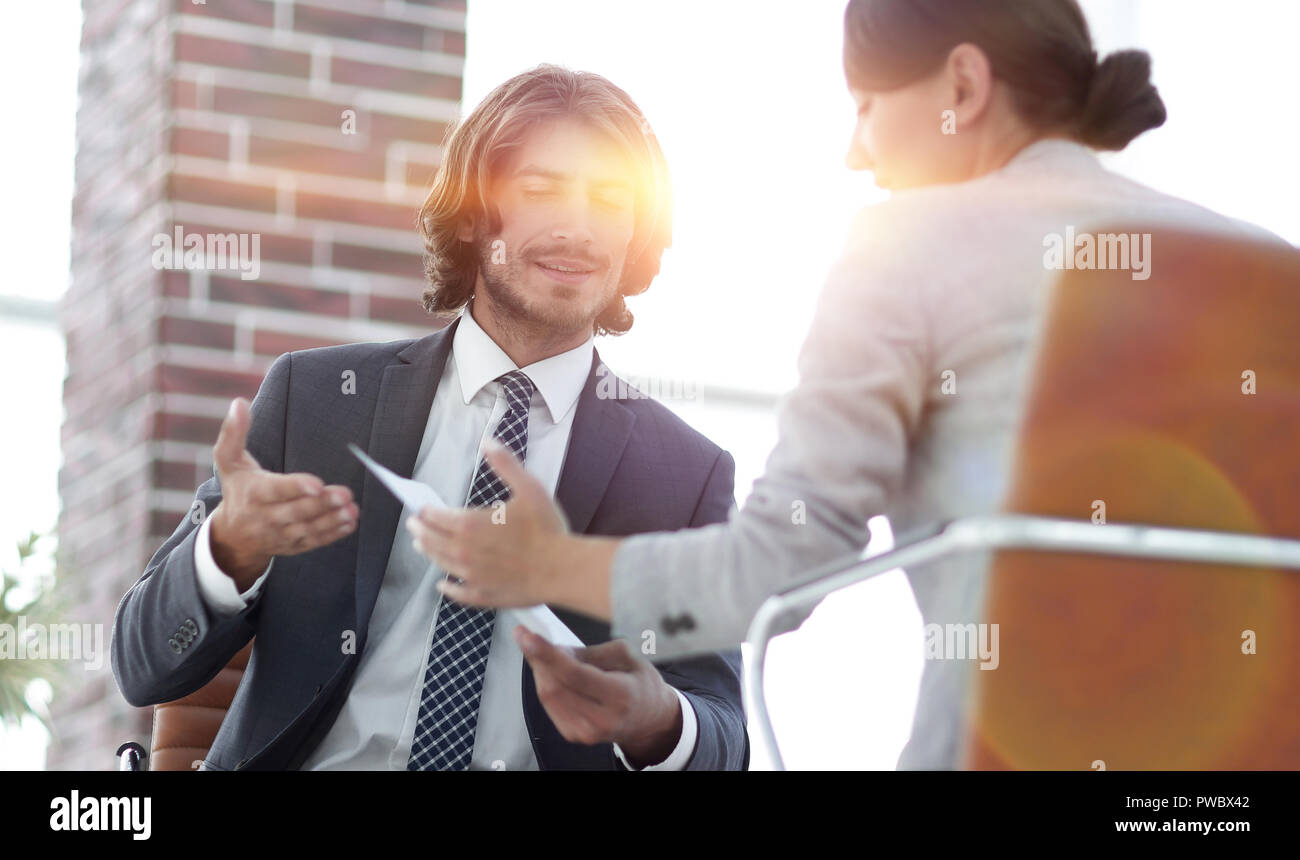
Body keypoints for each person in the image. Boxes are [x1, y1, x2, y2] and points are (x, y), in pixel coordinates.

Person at [408, 0, 1289, 768]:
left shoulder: (906, 247)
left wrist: (549, 563)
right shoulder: (1268, 267)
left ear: (963, 88)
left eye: (867, 106)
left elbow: (781, 569)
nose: (854, 151)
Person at [111, 65, 749, 771]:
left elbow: (723, 733)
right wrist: (226, 549)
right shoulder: (317, 400)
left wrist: (656, 717)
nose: (578, 226)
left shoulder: (685, 475)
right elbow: (143, 666)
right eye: (541, 190)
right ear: (474, 214)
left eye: (611, 198)